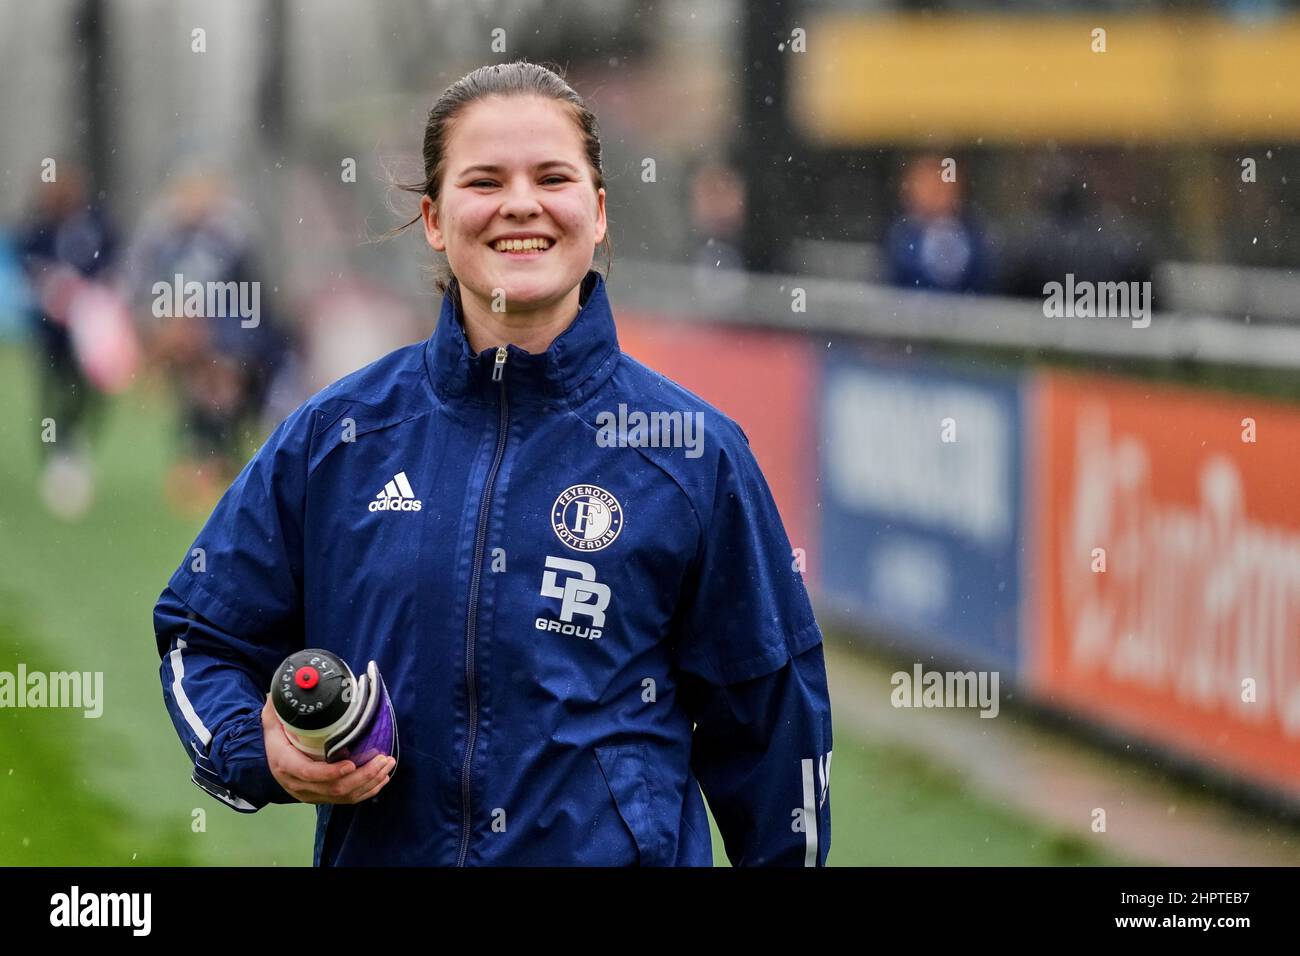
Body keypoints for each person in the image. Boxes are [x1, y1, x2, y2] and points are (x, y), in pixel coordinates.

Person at [152, 61, 833, 867]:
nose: (521, 203)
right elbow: (201, 634)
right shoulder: (336, 436)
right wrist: (256, 749)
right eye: (484, 180)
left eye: (552, 176)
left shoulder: (693, 452)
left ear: (599, 210)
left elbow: (776, 746)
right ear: (435, 219)